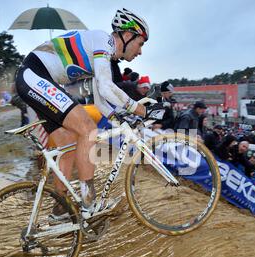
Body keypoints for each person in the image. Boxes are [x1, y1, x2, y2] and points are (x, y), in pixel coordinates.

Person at [15, 8, 163, 220]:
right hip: (34, 75)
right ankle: (88, 202)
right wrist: (143, 110)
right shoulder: (103, 41)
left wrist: (117, 119)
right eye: (140, 44)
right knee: (88, 129)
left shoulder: (102, 53)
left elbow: (100, 101)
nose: (140, 51)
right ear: (128, 35)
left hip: (36, 78)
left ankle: (60, 208)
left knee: (68, 142)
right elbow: (106, 86)